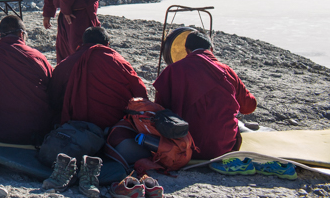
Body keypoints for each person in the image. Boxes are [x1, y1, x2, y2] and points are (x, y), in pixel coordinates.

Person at [154, 31, 257, 159]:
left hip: (184, 146)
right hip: (223, 148)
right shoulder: (226, 71)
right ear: (211, 49)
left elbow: (158, 107)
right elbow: (249, 107)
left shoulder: (173, 70)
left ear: (186, 50)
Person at [0, 16, 54, 144]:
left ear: (1, 35)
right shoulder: (36, 57)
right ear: (22, 34)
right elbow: (53, 89)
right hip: (34, 130)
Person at [49, 26, 147, 130]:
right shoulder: (118, 62)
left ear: (83, 43)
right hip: (114, 126)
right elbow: (140, 92)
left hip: (74, 127)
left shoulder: (65, 65)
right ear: (107, 44)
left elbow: (53, 97)